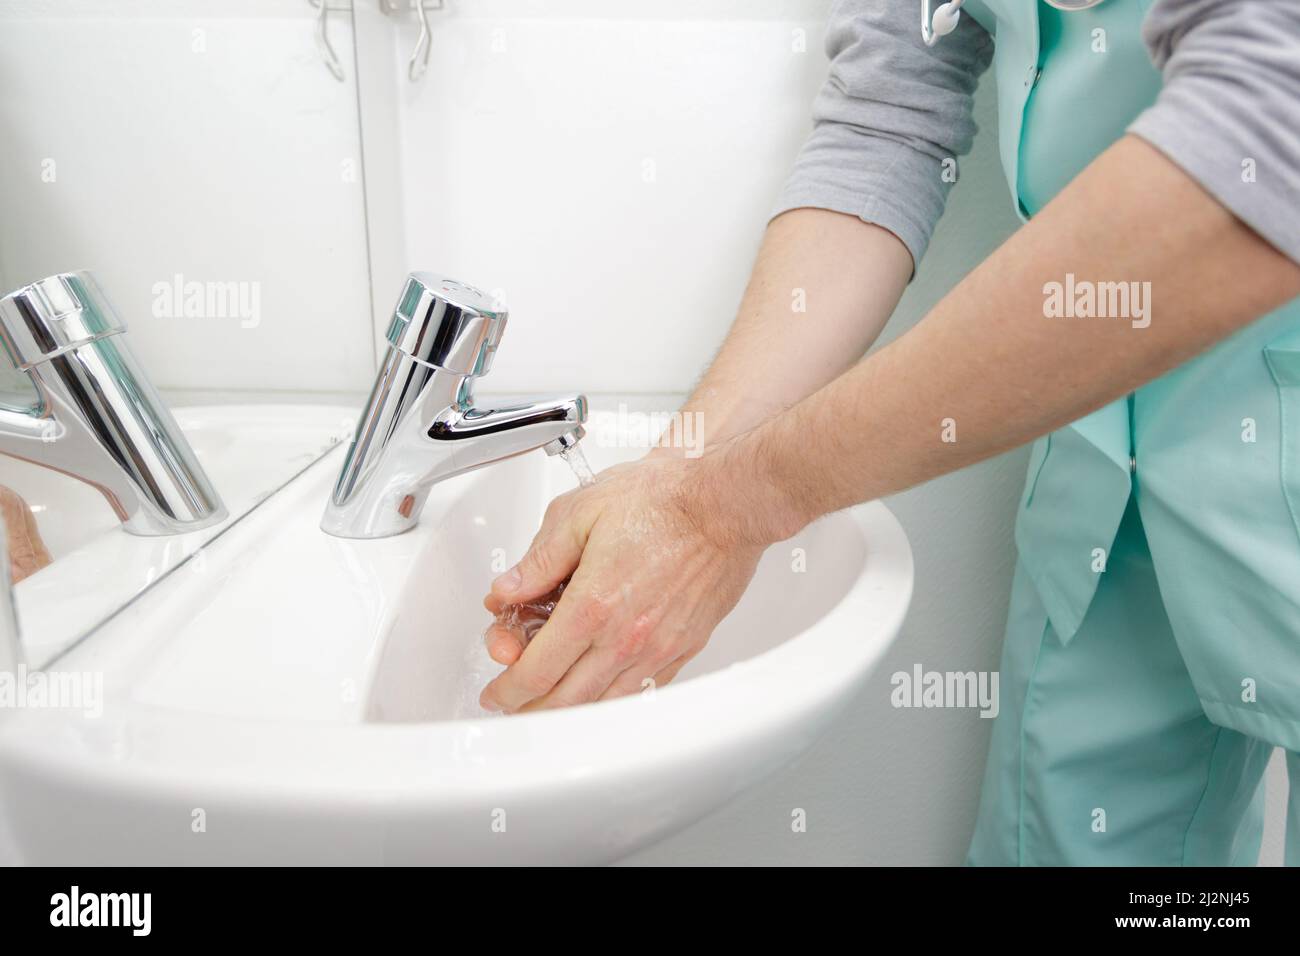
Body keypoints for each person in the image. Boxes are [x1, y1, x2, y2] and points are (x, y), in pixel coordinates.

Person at [479, 0, 1300, 865]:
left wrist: (732, 505)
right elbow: (892, 111)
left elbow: (1263, 143)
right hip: (1103, 484)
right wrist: (679, 487)